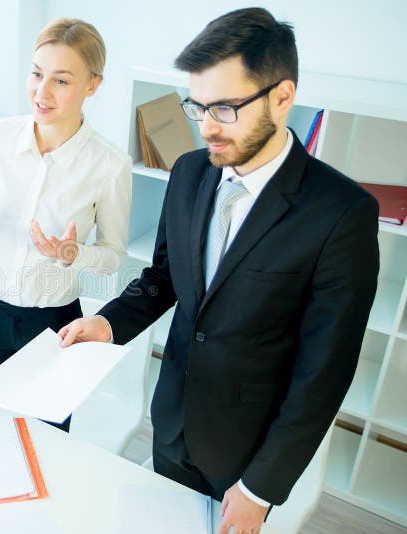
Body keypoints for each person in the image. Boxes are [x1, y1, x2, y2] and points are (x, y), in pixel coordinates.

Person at [58, 7, 379, 534]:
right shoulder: (187, 173)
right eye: (197, 106)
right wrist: (111, 322)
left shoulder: (342, 215)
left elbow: (323, 374)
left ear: (282, 97)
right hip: (173, 423)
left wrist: (260, 487)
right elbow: (164, 278)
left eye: (225, 108)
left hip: (248, 451)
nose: (205, 127)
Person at [0, 18, 131, 430]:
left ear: (92, 85)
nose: (41, 91)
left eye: (61, 80)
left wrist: (73, 254)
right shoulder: (0, 135)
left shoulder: (110, 166)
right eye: (36, 74)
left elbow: (113, 258)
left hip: (53, 324)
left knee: (46, 436)